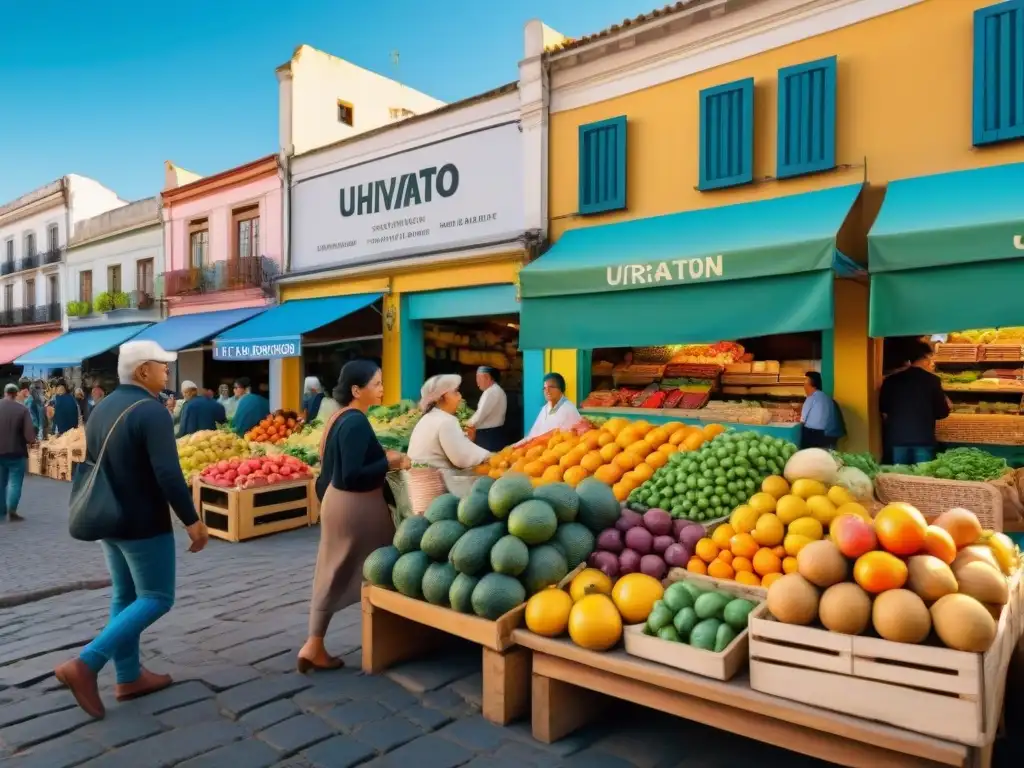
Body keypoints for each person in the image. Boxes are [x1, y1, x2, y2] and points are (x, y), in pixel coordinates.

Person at [53, 340, 208, 720]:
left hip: (108, 516)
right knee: (157, 596)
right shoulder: (151, 411)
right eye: (162, 366)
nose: (167, 371)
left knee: (125, 595)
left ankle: (128, 677)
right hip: (143, 521)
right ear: (143, 372)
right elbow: (169, 473)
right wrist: (193, 521)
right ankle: (87, 663)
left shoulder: (102, 407)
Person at [299, 360, 409, 672]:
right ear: (356, 390)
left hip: (337, 504)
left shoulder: (339, 417)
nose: (382, 389)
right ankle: (395, 637)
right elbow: (352, 474)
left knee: (332, 571)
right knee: (389, 562)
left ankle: (314, 643)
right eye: (376, 384)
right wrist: (392, 462)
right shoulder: (356, 422)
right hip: (357, 505)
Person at [879, 339, 951, 465]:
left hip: (896, 440)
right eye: (929, 358)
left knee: (899, 478)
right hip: (923, 440)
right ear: (924, 358)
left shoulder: (890, 381)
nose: (931, 363)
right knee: (921, 479)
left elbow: (884, 411)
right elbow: (942, 412)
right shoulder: (932, 381)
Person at [408, 375, 493, 470]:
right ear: (440, 397)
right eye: (455, 392)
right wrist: (492, 457)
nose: (460, 397)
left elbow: (453, 450)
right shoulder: (445, 421)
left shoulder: (429, 417)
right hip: (434, 481)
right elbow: (461, 458)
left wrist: (466, 441)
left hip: (420, 479)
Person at [0, 383, 37, 522]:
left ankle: (0, 511)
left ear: (5, 393)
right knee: (15, 482)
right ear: (16, 394)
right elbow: (29, 436)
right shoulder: (22, 410)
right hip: (17, 451)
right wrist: (32, 442)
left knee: (0, 482)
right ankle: (12, 510)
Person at [525, 372, 582, 440]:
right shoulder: (545, 408)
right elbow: (533, 434)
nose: (547, 391)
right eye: (544, 388)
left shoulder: (568, 409)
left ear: (561, 389)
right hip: (538, 446)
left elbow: (566, 438)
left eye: (551, 387)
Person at [465, 366, 508, 451]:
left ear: (487, 377)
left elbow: (480, 415)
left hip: (488, 437)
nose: (477, 383)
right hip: (492, 434)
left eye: (479, 379)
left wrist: (466, 425)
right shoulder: (495, 390)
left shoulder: (491, 392)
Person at [800, 372, 844, 449]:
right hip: (830, 436)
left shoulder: (811, 398)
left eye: (805, 384)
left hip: (815, 435)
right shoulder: (827, 398)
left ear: (809, 386)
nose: (804, 387)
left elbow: (802, 420)